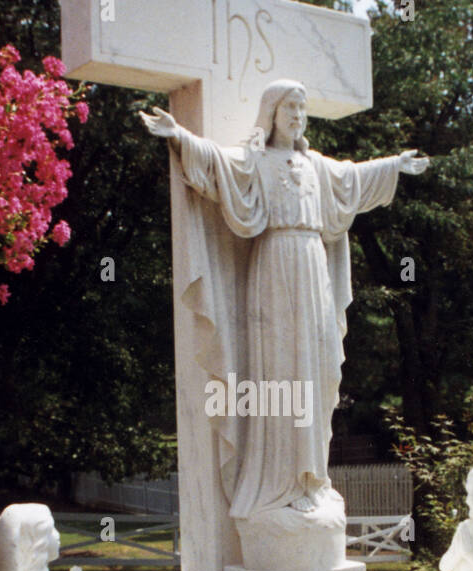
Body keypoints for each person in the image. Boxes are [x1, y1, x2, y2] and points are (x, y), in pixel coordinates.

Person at [141, 79, 428, 520]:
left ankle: (312, 476)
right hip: (273, 266)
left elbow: (354, 176)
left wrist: (394, 165)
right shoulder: (257, 160)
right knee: (280, 369)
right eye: (289, 107)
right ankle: (277, 480)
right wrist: (178, 136)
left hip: (313, 266)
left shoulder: (315, 165)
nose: (297, 115)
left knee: (314, 370)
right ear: (272, 113)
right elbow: (220, 165)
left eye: (302, 107)